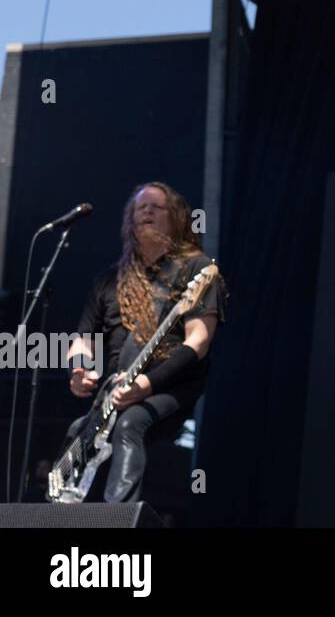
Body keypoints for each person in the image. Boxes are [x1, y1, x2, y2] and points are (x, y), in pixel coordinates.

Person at [57, 181, 227, 503]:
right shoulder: (108, 280)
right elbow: (83, 339)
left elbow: (199, 341)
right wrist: (78, 370)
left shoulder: (196, 269)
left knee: (130, 424)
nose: (147, 210)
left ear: (175, 218)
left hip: (171, 386)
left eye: (157, 206)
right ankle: (64, 516)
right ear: (130, 221)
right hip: (116, 389)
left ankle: (118, 520)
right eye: (141, 207)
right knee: (78, 431)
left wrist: (147, 384)